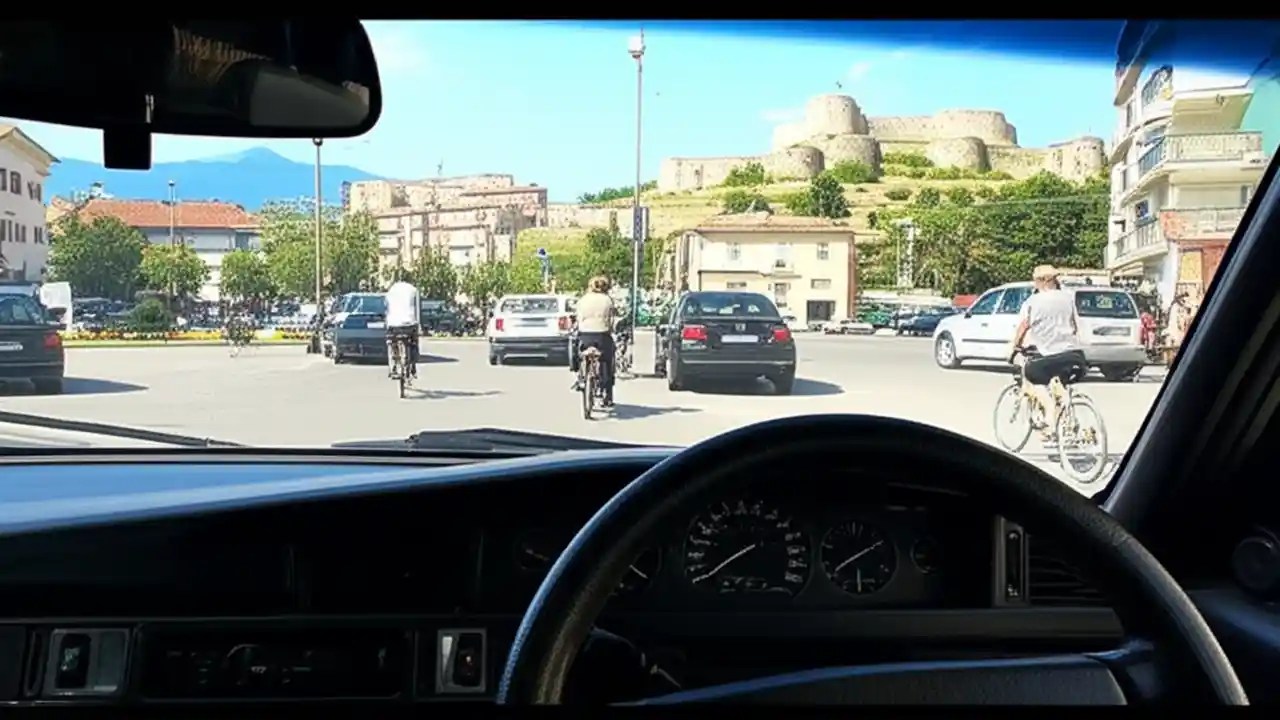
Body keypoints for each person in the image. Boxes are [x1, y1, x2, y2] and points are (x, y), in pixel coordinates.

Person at [1008, 265, 1084, 437]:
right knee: (1059, 386)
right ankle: (1054, 427)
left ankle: (1049, 414)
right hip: (1074, 354)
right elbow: (1075, 325)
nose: (1034, 283)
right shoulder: (1068, 297)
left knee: (1032, 376)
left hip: (1049, 353)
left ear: (1043, 281)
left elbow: (1024, 326)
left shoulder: (1033, 301)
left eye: (1035, 280)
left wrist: (1016, 347)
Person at [573, 275, 618, 407]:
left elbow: (579, 318)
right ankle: (607, 392)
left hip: (585, 334)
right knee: (607, 359)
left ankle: (580, 376)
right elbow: (611, 320)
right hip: (602, 334)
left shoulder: (582, 300)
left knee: (580, 352)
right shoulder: (607, 300)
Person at [384, 272, 421, 380]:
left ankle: (393, 367)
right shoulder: (413, 289)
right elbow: (417, 308)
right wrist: (419, 325)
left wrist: (387, 322)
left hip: (393, 323)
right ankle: (413, 366)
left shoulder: (391, 290)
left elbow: (387, 307)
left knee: (391, 343)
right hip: (410, 323)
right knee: (414, 342)